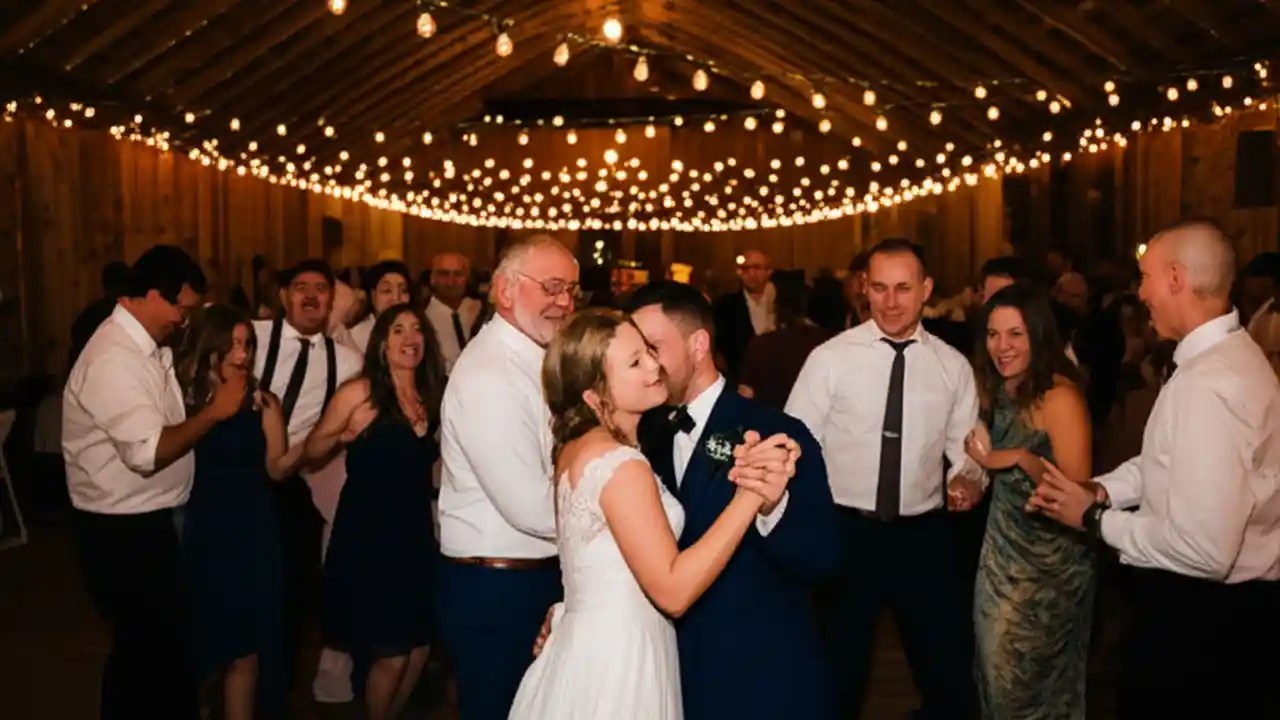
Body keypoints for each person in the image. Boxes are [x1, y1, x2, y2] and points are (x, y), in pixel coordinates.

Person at [1030, 220, 1280, 718]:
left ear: (1175, 278)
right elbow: (1165, 463)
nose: (1138, 292)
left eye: (1144, 276)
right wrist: (1098, 490)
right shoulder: (1228, 356)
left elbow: (1203, 551)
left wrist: (1094, 520)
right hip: (1231, 615)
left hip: (1204, 624)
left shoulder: (1207, 383)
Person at [510, 308, 801, 719]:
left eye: (649, 351)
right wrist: (750, 495)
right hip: (621, 658)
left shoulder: (577, 448)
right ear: (596, 396)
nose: (653, 365)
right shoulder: (621, 465)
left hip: (589, 641)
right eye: (634, 362)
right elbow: (674, 591)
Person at [786, 237, 983, 719]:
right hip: (845, 532)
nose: (890, 302)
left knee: (946, 673)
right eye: (879, 288)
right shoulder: (830, 359)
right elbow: (795, 445)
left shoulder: (952, 368)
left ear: (926, 289)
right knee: (838, 672)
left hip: (924, 535)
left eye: (902, 288)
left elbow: (968, 453)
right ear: (863, 290)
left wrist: (970, 479)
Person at [62, 245, 233, 720]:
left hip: (148, 524)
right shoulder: (114, 358)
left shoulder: (143, 347)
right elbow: (147, 453)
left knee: (157, 655)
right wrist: (216, 413)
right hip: (122, 531)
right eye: (182, 307)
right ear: (153, 294)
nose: (184, 319)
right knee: (145, 658)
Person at [435, 235, 578, 719]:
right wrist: (620, 513)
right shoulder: (491, 375)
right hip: (499, 586)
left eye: (572, 291)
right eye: (552, 287)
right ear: (505, 290)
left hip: (526, 578)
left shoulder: (535, 361)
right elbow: (531, 508)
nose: (564, 302)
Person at [302, 303, 446, 720]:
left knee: (418, 649)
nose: (409, 339)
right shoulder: (360, 392)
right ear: (382, 344)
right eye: (397, 330)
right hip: (371, 535)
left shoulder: (431, 395)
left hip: (415, 533)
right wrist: (344, 434)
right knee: (393, 654)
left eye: (416, 330)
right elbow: (312, 451)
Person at [966, 285, 1094, 719]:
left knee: (1034, 691)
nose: (1001, 347)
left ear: (1039, 335)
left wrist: (1020, 459)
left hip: (1051, 568)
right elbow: (983, 455)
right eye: (993, 334)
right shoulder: (1002, 389)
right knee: (994, 678)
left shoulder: (1061, 398)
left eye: (1015, 334)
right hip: (1000, 555)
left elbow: (1077, 494)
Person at [176, 304, 303, 719]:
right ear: (211, 346)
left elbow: (276, 466)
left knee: (248, 648)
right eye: (232, 344)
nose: (242, 354)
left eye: (247, 344)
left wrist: (321, 440)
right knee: (205, 647)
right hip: (205, 528)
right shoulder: (185, 398)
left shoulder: (263, 402)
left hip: (254, 529)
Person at [251, 259, 363, 700]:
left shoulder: (348, 360)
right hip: (239, 478)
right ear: (284, 296)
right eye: (301, 287)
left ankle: (277, 692)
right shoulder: (254, 339)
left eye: (321, 289)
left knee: (293, 599)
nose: (312, 296)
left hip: (292, 484)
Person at [713, 249, 776, 379]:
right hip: (738, 378)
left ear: (769, 271)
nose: (751, 274)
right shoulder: (725, 306)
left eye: (757, 268)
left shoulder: (781, 303)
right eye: (745, 269)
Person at [425, 252, 485, 373]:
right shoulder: (422, 317)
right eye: (444, 274)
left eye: (458, 274)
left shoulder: (482, 311)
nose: (451, 282)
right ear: (432, 279)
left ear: (467, 278)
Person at [350, 260, 414, 353]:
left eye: (403, 291)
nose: (396, 299)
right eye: (386, 290)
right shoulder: (356, 338)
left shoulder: (418, 334)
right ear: (372, 296)